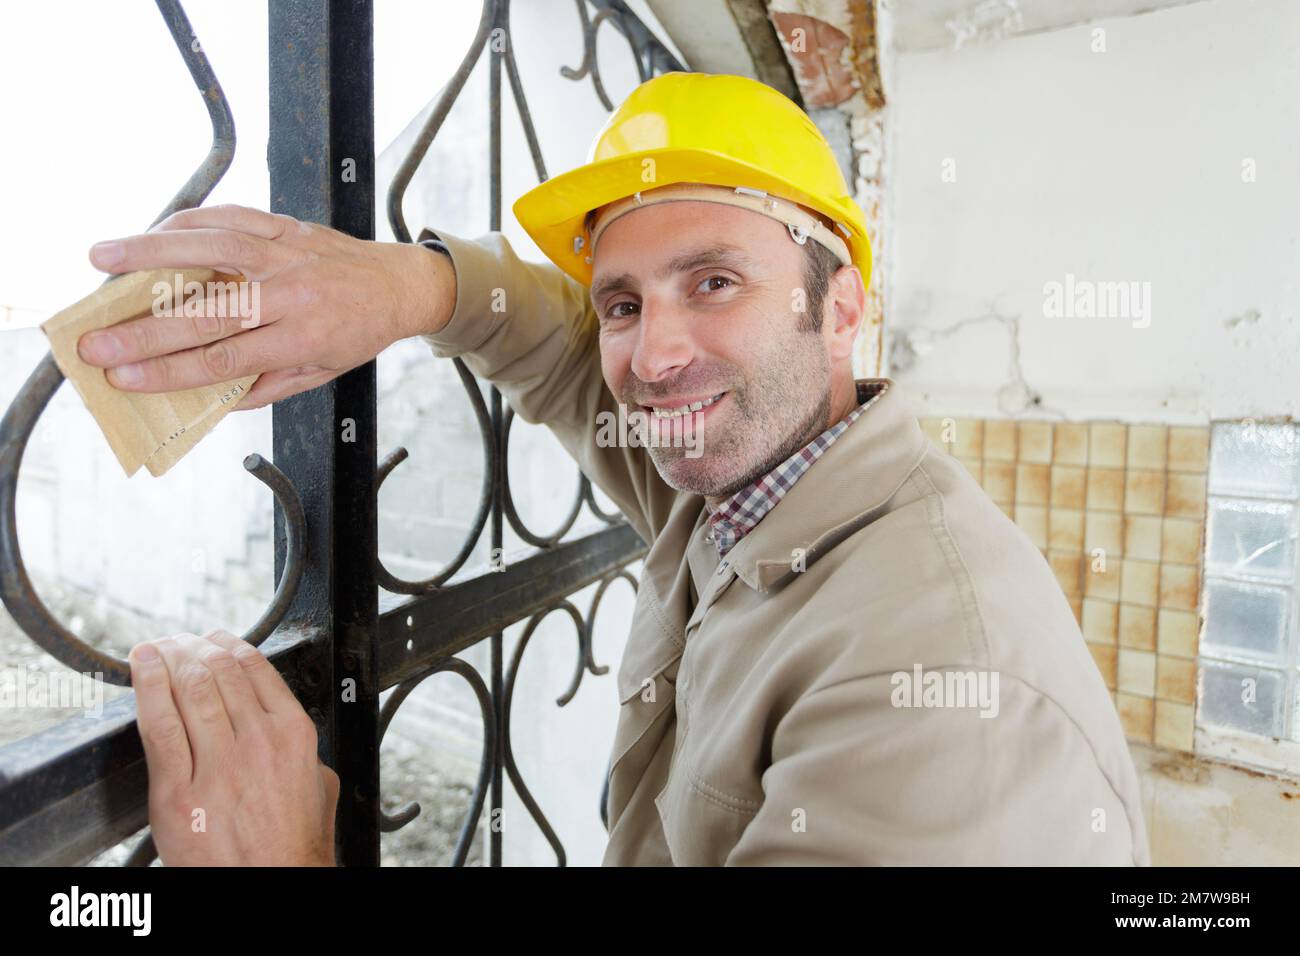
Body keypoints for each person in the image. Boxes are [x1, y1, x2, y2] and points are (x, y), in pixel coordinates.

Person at [87, 72, 1149, 866]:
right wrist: (408, 288)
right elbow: (555, 346)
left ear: (838, 308)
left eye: (717, 280)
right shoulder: (744, 485)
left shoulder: (935, 679)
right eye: (624, 302)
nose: (653, 354)